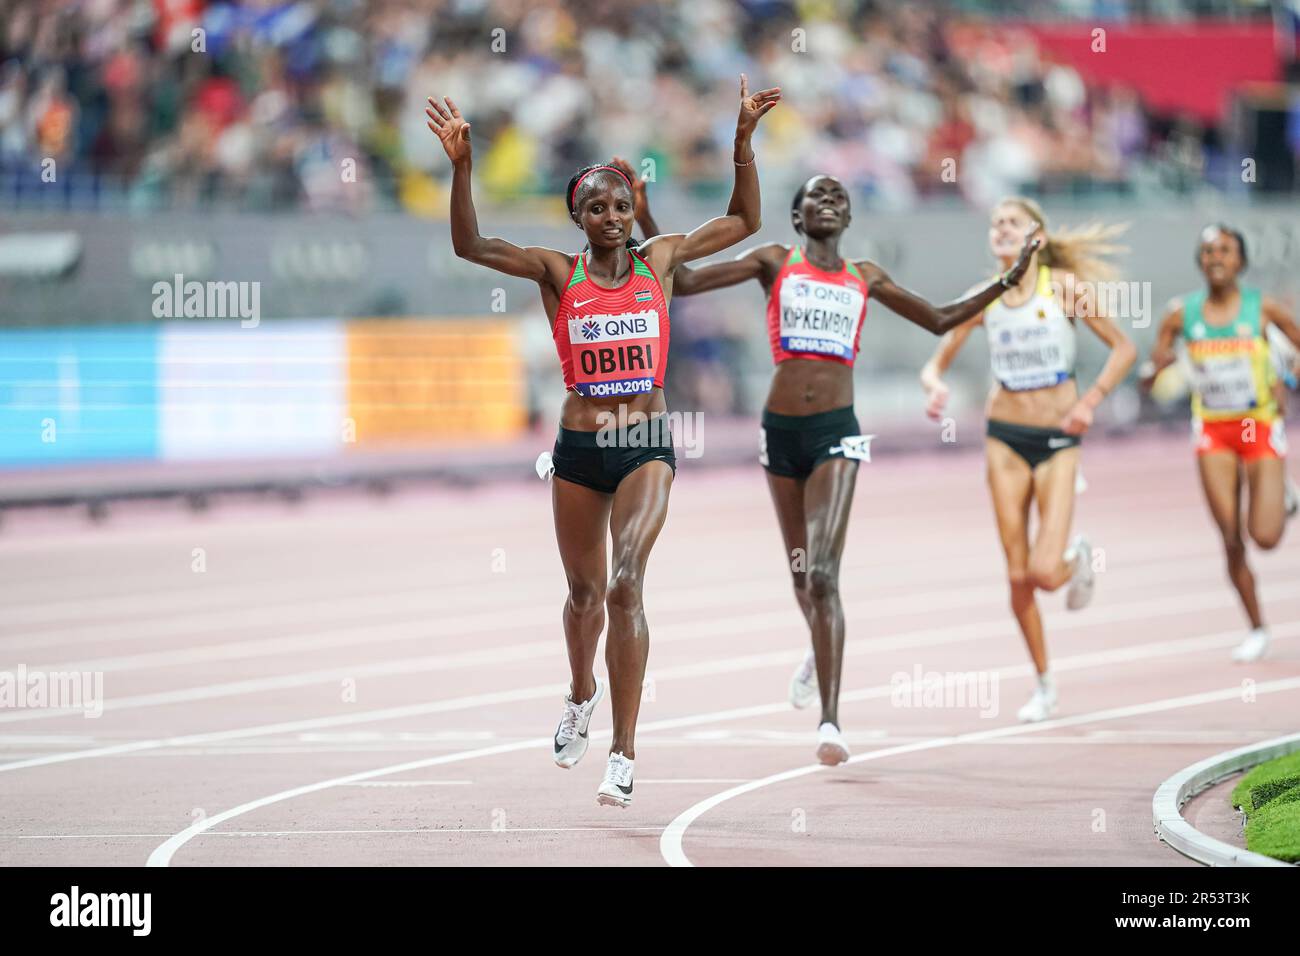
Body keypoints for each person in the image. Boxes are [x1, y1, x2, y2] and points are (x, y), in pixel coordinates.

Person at [426, 77, 779, 806]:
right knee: (584, 594)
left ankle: (623, 750)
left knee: (625, 583)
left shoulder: (662, 259)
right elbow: (470, 246)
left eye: (621, 204)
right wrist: (463, 169)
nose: (613, 216)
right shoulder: (559, 272)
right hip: (580, 450)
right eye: (597, 207)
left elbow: (744, 219)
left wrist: (742, 140)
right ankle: (579, 692)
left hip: (647, 439)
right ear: (579, 218)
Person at [621, 168, 1038, 762]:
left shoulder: (865, 276)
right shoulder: (773, 260)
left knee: (822, 574)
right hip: (780, 432)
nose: (828, 201)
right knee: (799, 575)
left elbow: (942, 319)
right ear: (798, 218)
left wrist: (1007, 280)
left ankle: (831, 723)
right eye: (816, 195)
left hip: (836, 433)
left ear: (847, 218)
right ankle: (821, 647)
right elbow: (681, 281)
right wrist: (644, 214)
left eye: (838, 196)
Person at [921, 197, 1136, 722]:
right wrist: (933, 386)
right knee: (1017, 574)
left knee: (1044, 571)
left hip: (1059, 436)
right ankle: (1043, 683)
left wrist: (1089, 403)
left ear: (1034, 236)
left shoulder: (1063, 288)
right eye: (994, 223)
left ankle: (1073, 558)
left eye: (1011, 222)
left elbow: (1124, 349)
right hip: (1004, 436)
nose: (1000, 229)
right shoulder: (984, 297)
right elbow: (937, 361)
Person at [1140, 224, 1300, 662]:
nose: (1216, 258)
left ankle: (1282, 495)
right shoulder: (1180, 314)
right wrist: (1155, 372)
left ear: (1241, 261)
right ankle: (1256, 627)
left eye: (1225, 251)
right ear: (1200, 260)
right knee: (1230, 537)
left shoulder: (1263, 309)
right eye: (1208, 251)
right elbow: (1151, 372)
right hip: (1213, 430)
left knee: (1263, 536)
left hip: (1258, 425)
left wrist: (1290, 372)